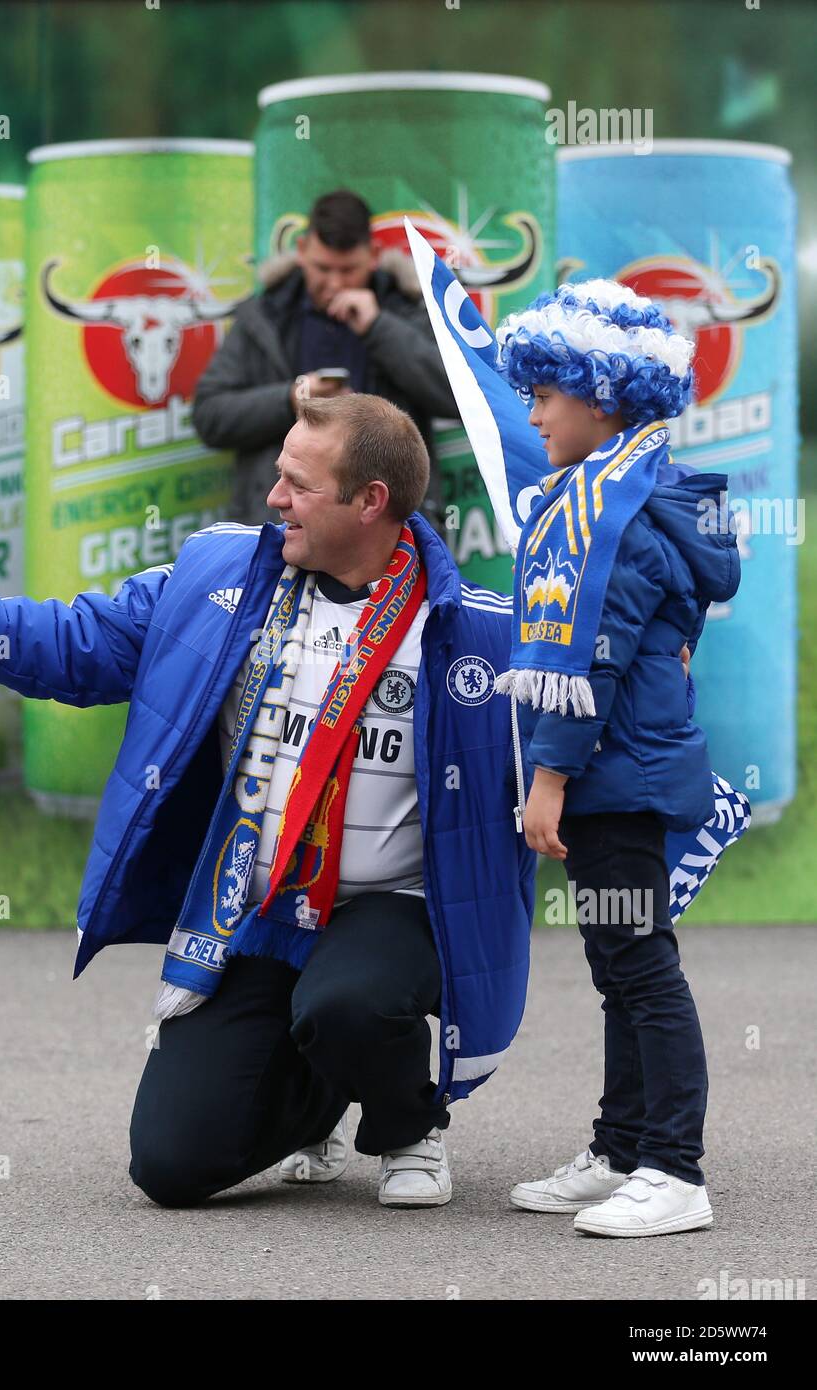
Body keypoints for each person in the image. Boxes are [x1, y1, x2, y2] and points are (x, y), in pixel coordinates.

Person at [0, 393, 535, 1210]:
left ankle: (406, 1122)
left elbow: (587, 735)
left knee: (348, 1004)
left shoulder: (475, 631)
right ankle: (325, 1083)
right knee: (171, 1165)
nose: (273, 499)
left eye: (298, 485)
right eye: (277, 476)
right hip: (257, 904)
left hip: (392, 905)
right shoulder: (218, 576)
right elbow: (69, 646)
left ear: (369, 501)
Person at [492, 280, 741, 1237]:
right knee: (618, 963)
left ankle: (674, 1171)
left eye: (545, 393)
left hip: (613, 778)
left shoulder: (615, 517)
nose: (533, 411)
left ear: (599, 395)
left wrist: (547, 778)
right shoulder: (626, 494)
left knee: (638, 967)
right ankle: (619, 1147)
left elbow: (587, 657)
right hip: (625, 770)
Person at [192, 188, 457, 534]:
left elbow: (458, 399)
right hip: (279, 531)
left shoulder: (404, 310)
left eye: (348, 270)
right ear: (301, 251)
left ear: (374, 256)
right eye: (322, 268)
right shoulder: (265, 314)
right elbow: (209, 415)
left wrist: (380, 328)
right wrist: (293, 397)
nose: (334, 283)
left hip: (385, 531)